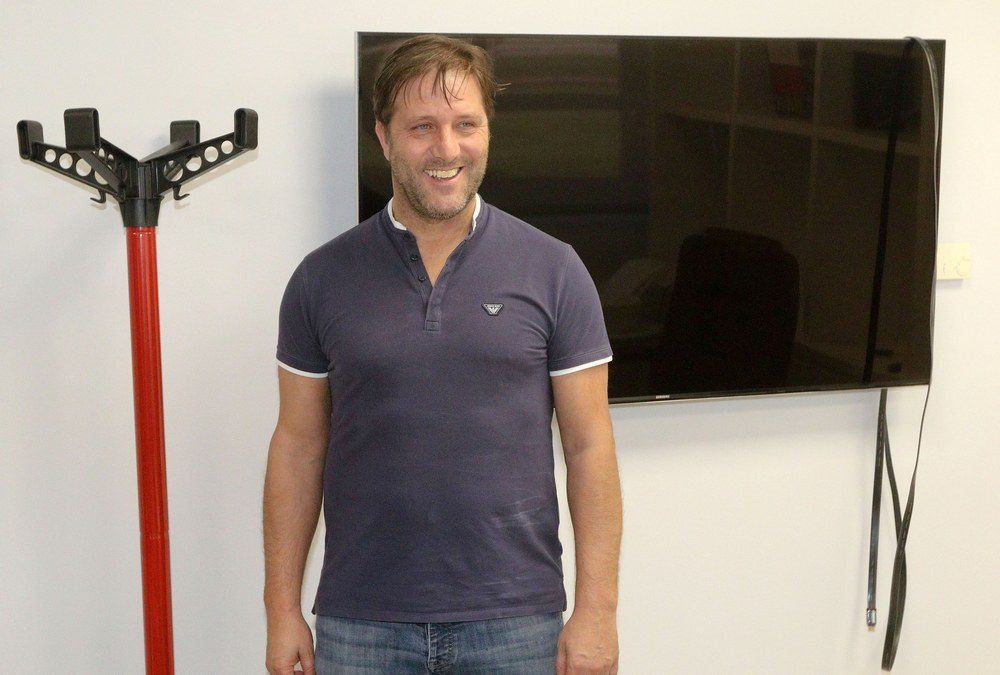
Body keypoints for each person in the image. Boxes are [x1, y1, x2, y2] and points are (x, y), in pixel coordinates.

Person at [263, 34, 622, 675]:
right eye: (422, 127)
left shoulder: (554, 269)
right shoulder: (321, 278)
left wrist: (598, 609)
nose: (447, 149)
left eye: (466, 125)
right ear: (383, 137)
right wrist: (281, 608)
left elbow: (590, 445)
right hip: (361, 625)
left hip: (517, 623)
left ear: (488, 131)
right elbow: (297, 447)